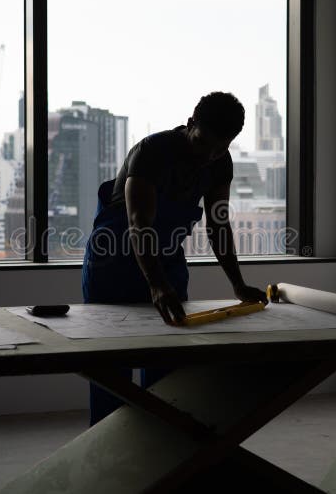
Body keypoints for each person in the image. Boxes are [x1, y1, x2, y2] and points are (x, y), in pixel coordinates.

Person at [81, 91, 268, 424]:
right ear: (190, 123)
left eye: (220, 148)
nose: (207, 156)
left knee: (168, 368)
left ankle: (164, 450)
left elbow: (219, 224)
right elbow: (140, 223)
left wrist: (238, 284)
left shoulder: (219, 163)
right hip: (113, 262)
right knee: (111, 367)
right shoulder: (151, 152)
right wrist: (156, 284)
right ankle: (105, 453)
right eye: (202, 143)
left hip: (166, 260)